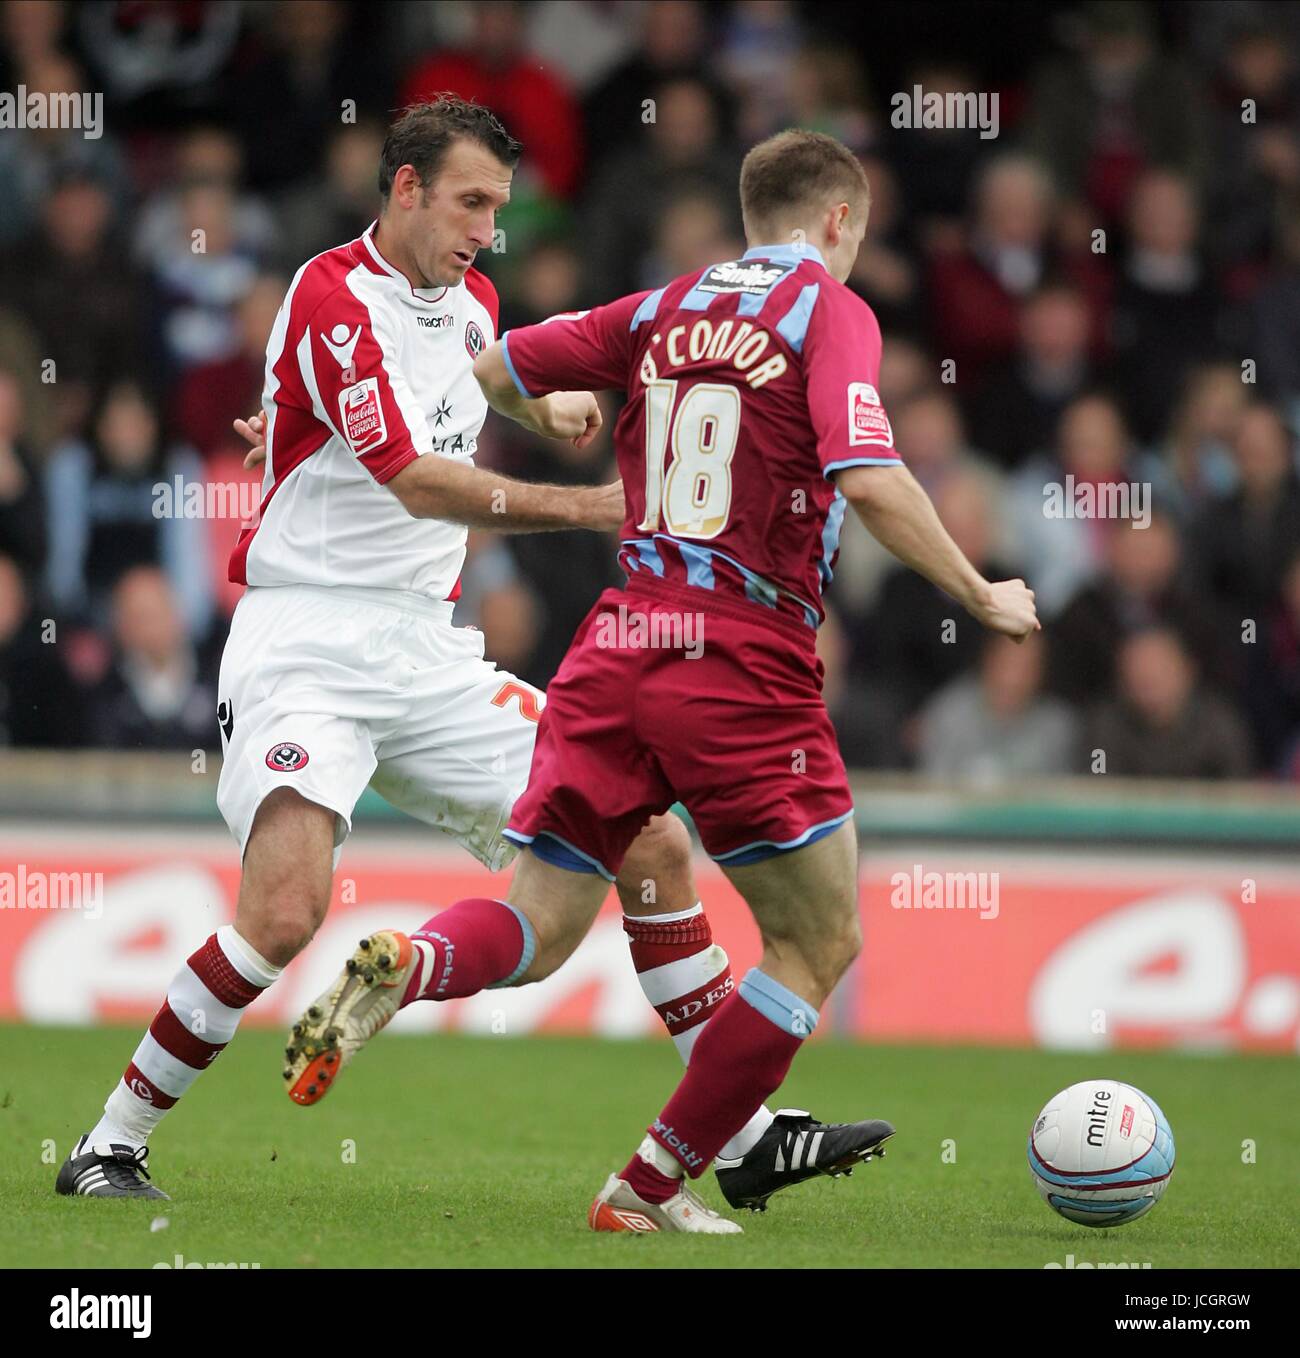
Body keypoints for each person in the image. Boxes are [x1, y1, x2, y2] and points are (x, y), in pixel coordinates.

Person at [56, 97, 883, 1213]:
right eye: (468, 202)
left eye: (497, 207)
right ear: (404, 189)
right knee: (287, 909)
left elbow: (468, 396)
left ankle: (738, 1133)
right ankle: (109, 1142)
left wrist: (551, 416)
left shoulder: (475, 300)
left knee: (651, 846)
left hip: (427, 646)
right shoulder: (329, 290)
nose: (486, 230)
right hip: (307, 636)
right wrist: (590, 504)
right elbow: (409, 473)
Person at [292, 127, 1038, 1233]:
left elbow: (491, 370)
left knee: (540, 924)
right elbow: (870, 478)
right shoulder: (829, 310)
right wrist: (980, 593)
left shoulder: (662, 304)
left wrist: (547, 416)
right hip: (739, 653)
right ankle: (644, 1186)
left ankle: (413, 960)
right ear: (839, 222)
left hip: (618, 638)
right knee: (818, 941)